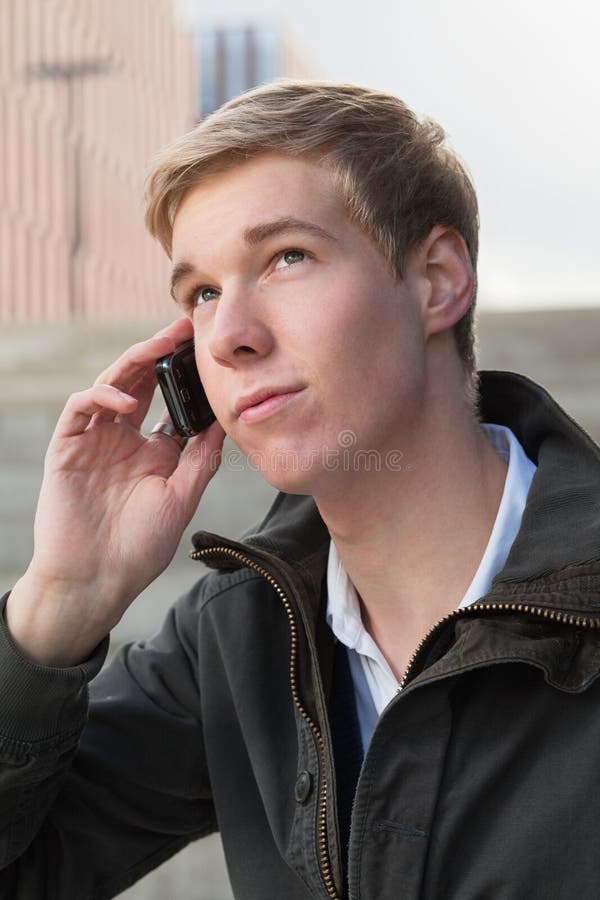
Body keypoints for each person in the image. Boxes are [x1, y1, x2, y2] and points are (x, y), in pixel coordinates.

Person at [1, 81, 600, 900]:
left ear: (436, 279)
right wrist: (62, 600)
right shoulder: (238, 639)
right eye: (202, 293)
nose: (233, 334)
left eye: (286, 257)